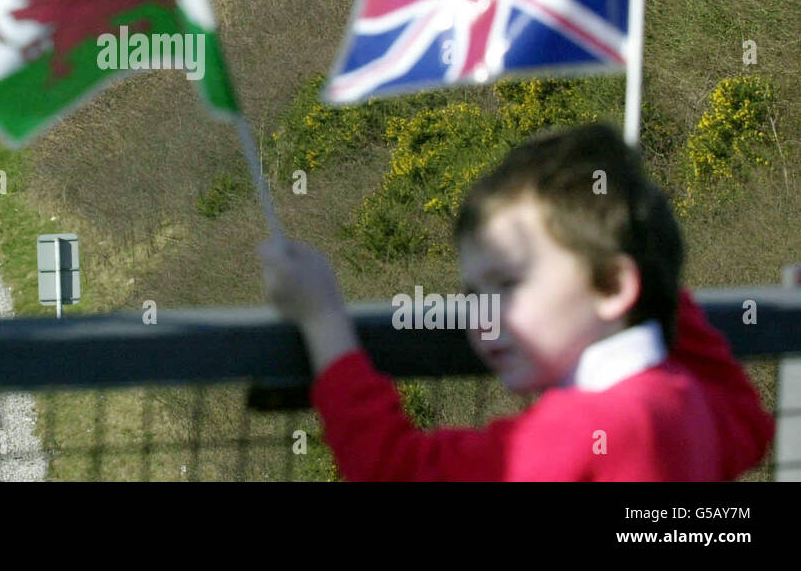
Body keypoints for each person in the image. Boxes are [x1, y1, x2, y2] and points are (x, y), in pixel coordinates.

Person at [258, 122, 775, 481]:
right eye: (473, 294)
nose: (483, 316)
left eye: (507, 284)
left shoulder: (587, 430)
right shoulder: (689, 401)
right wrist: (651, 270)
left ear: (614, 287)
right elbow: (751, 425)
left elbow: (393, 469)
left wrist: (324, 319)